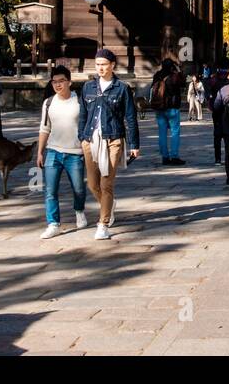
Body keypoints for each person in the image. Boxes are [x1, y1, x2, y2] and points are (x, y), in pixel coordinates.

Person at [78, 48, 140, 240]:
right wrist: (81, 138)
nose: (101, 68)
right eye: (97, 64)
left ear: (112, 65)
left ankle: (103, 224)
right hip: (90, 139)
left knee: (106, 183)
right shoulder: (88, 87)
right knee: (92, 184)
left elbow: (130, 117)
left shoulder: (122, 88)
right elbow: (83, 115)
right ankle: (109, 205)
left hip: (113, 139)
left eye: (104, 64)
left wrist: (134, 144)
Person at [36, 66, 87, 239]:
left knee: (79, 189)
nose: (58, 85)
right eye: (54, 82)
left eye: (61, 81)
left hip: (75, 152)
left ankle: (79, 210)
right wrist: (40, 152)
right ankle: (53, 223)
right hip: (53, 151)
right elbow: (45, 128)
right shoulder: (48, 102)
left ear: (69, 82)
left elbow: (87, 126)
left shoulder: (80, 101)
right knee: (50, 190)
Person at [150, 58, 185, 166]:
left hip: (160, 107)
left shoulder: (157, 75)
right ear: (171, 66)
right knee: (175, 132)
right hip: (172, 108)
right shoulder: (174, 76)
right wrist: (178, 69)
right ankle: (174, 156)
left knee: (162, 133)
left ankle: (165, 157)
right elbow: (183, 83)